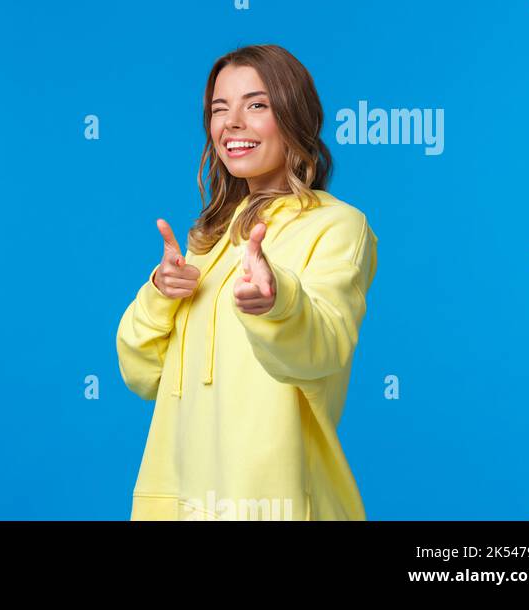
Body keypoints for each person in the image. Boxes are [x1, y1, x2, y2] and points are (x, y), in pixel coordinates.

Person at [116, 44, 378, 521]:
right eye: (220, 109)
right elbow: (141, 374)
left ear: (295, 115)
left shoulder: (338, 226)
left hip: (275, 504)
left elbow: (324, 346)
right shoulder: (204, 241)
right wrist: (158, 293)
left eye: (255, 105)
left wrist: (279, 303)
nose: (231, 123)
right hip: (178, 504)